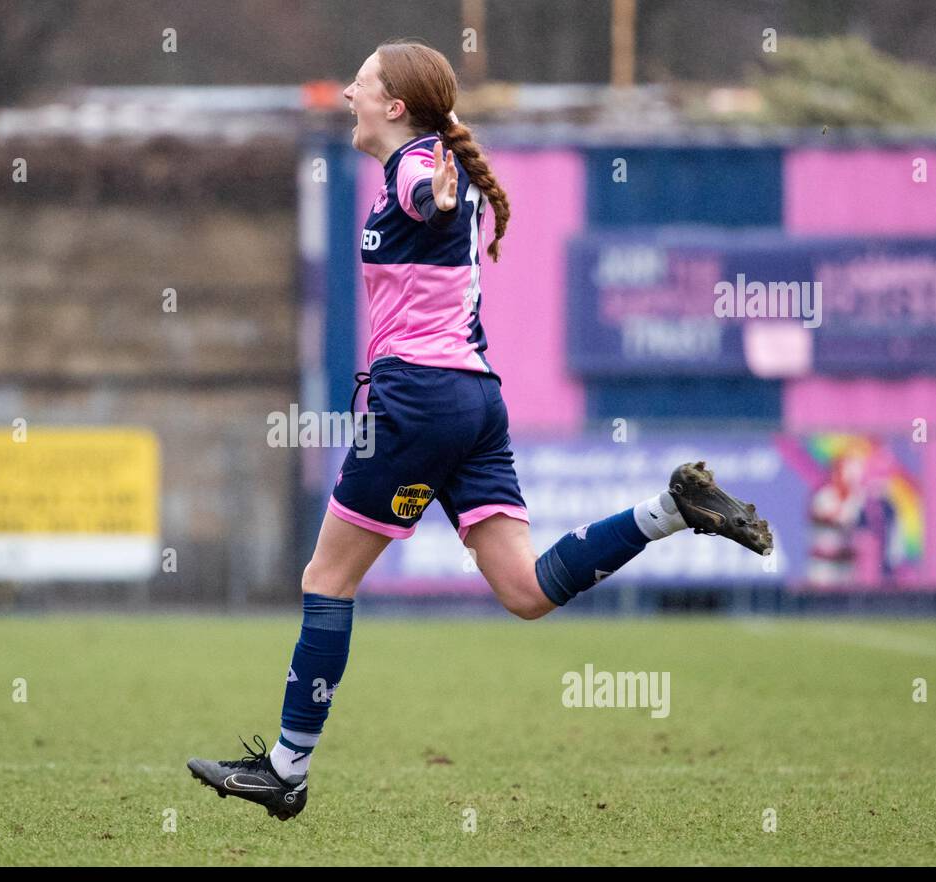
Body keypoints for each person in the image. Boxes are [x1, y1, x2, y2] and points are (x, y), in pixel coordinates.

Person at [188, 40, 771, 820]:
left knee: (327, 580)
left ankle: (287, 770)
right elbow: (435, 193)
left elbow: (430, 195)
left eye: (360, 86)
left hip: (417, 403)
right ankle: (669, 510)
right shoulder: (426, 157)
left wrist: (435, 191)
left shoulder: (414, 166)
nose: (348, 97)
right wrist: (439, 181)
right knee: (526, 591)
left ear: (395, 106)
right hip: (473, 399)